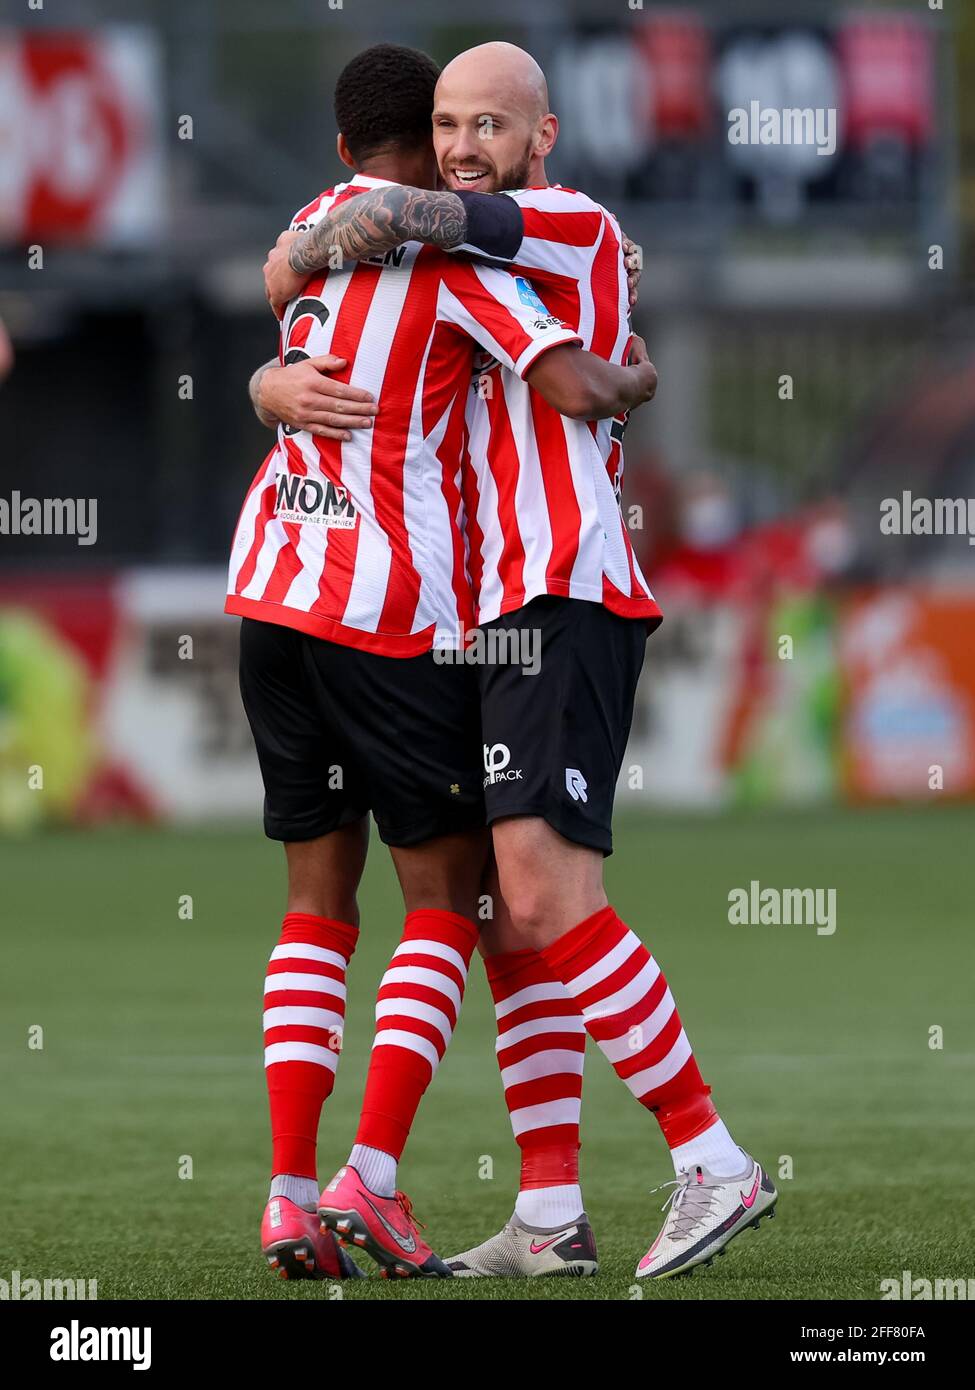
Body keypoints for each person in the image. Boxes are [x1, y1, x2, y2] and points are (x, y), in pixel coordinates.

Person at [264, 41, 777, 1282]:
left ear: (542, 139)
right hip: (488, 609)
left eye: (489, 122)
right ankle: (548, 1207)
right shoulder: (469, 252)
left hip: (566, 594)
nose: (461, 143)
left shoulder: (554, 219)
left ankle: (711, 1157)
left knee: (545, 898)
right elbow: (381, 253)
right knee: (502, 916)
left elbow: (396, 218)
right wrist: (272, 370)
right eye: (445, 120)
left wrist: (630, 386)